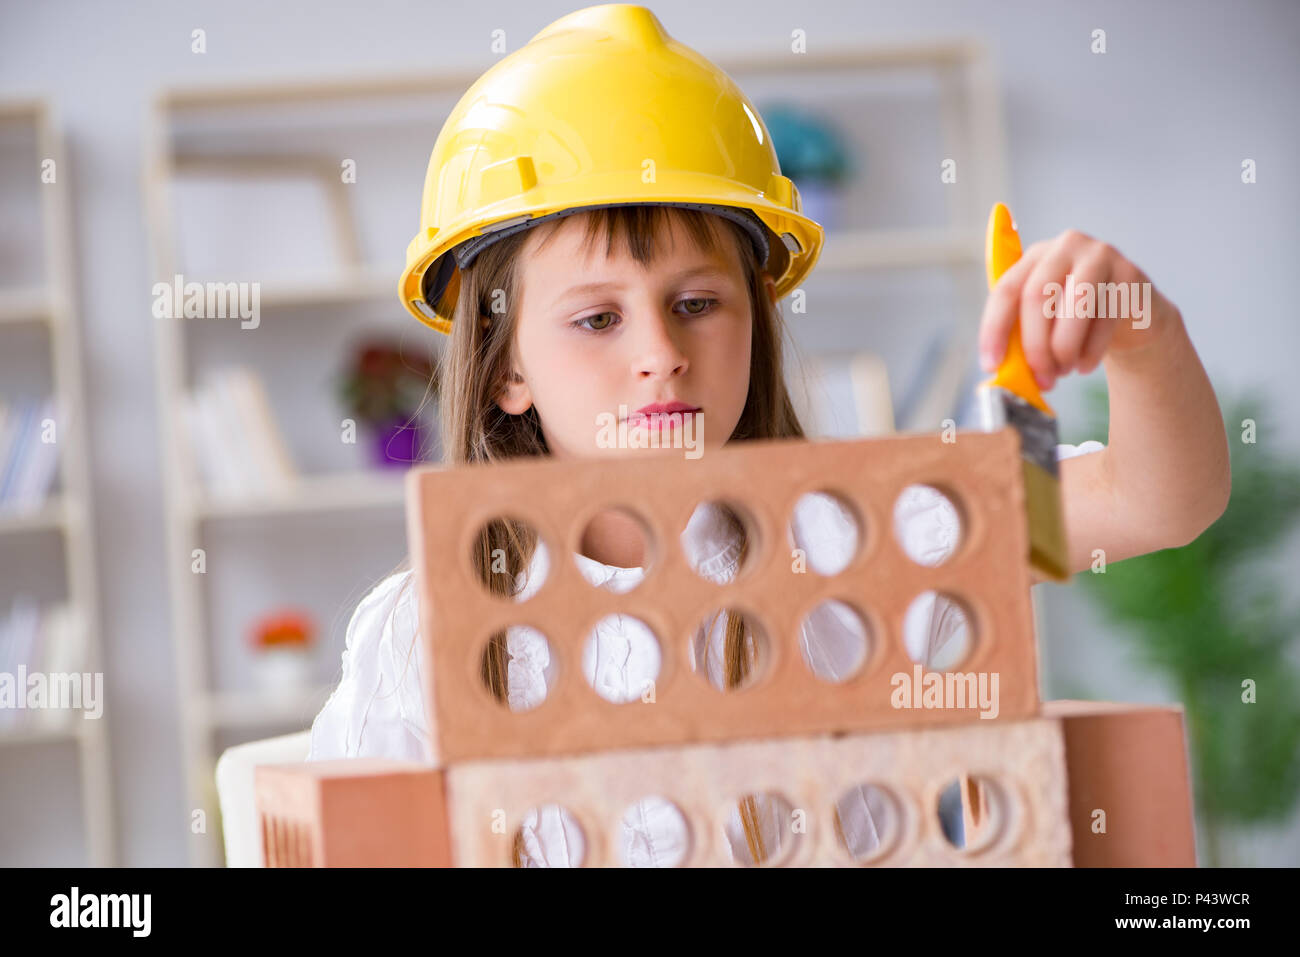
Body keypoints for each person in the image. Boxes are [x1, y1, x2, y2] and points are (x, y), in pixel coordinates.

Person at [308, 4, 1230, 867]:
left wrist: (1145, 337)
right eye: (598, 320)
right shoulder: (418, 629)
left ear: (755, 317)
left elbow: (1160, 499)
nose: (662, 353)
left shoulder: (857, 535)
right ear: (507, 368)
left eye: (698, 303)